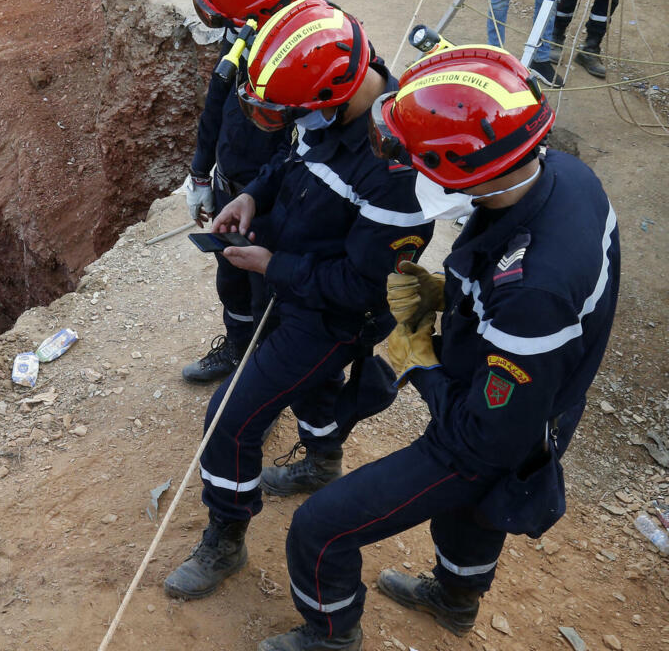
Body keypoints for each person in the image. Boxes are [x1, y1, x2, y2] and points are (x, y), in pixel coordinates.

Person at [261, 45, 620, 651]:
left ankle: (330, 635)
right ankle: (455, 599)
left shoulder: (535, 289)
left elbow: (483, 439)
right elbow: (499, 285)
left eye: (415, 157)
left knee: (319, 528)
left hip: (497, 422)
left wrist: (419, 356)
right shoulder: (561, 175)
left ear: (469, 167)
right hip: (537, 389)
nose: (404, 168)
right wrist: (449, 300)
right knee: (474, 511)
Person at [162, 0, 435, 602]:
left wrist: (273, 265)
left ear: (330, 97)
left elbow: (363, 287)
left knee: (230, 421)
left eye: (290, 113)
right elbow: (292, 160)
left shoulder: (396, 174)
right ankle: (322, 461)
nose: (289, 123)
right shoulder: (331, 108)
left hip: (332, 317)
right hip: (295, 286)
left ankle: (225, 540)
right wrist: (254, 198)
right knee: (315, 389)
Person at [181, 0, 311, 383]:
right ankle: (237, 350)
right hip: (231, 189)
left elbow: (305, 149)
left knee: (267, 296)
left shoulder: (313, 47)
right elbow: (217, 99)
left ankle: (260, 377)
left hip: (274, 203)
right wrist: (201, 174)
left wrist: (255, 194)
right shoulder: (250, 26)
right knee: (232, 281)